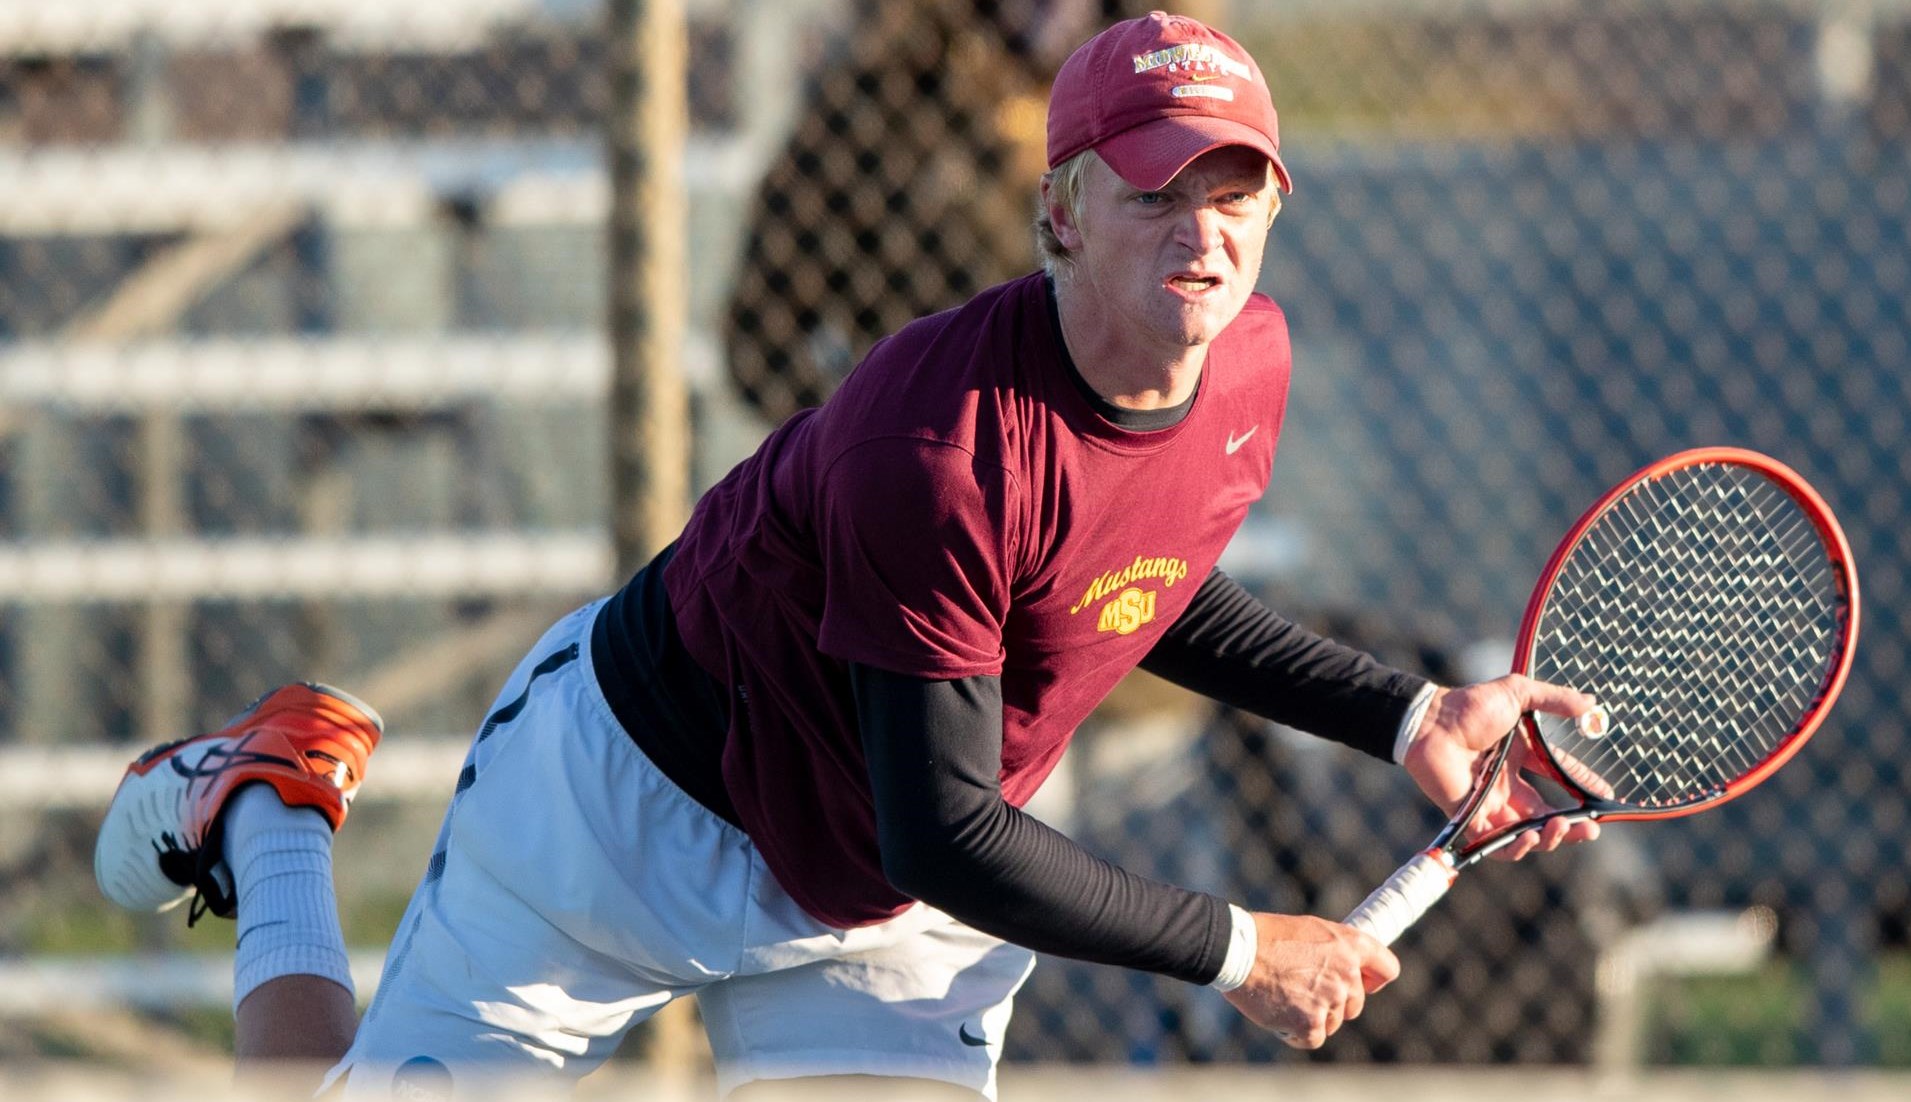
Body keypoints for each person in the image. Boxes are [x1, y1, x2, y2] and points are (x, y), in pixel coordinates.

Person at [94, 12, 1600, 1099]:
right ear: (1061, 212)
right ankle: (272, 812)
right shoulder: (934, 443)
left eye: (1233, 185)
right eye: (1151, 187)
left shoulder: (1247, 369)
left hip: (876, 897)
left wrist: (1408, 713)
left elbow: (1140, 581)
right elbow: (943, 822)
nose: (1198, 230)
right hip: (632, 813)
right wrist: (1237, 948)